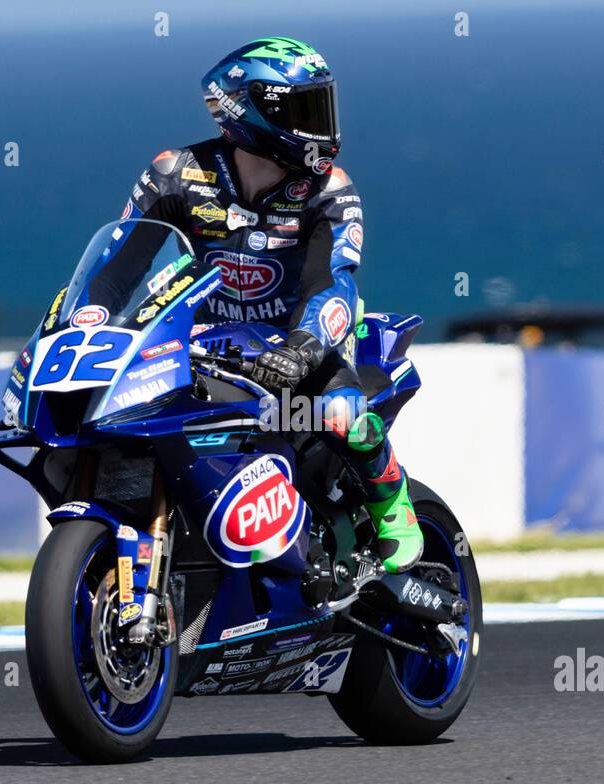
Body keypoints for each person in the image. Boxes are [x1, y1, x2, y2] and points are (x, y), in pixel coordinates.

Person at [118, 36, 422, 573]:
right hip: (194, 345)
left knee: (337, 412)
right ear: (244, 110)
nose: (320, 125)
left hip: (298, 342)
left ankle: (389, 496)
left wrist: (304, 348)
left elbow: (334, 282)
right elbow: (119, 266)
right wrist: (89, 324)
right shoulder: (174, 173)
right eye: (302, 109)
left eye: (321, 104)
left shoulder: (329, 187)